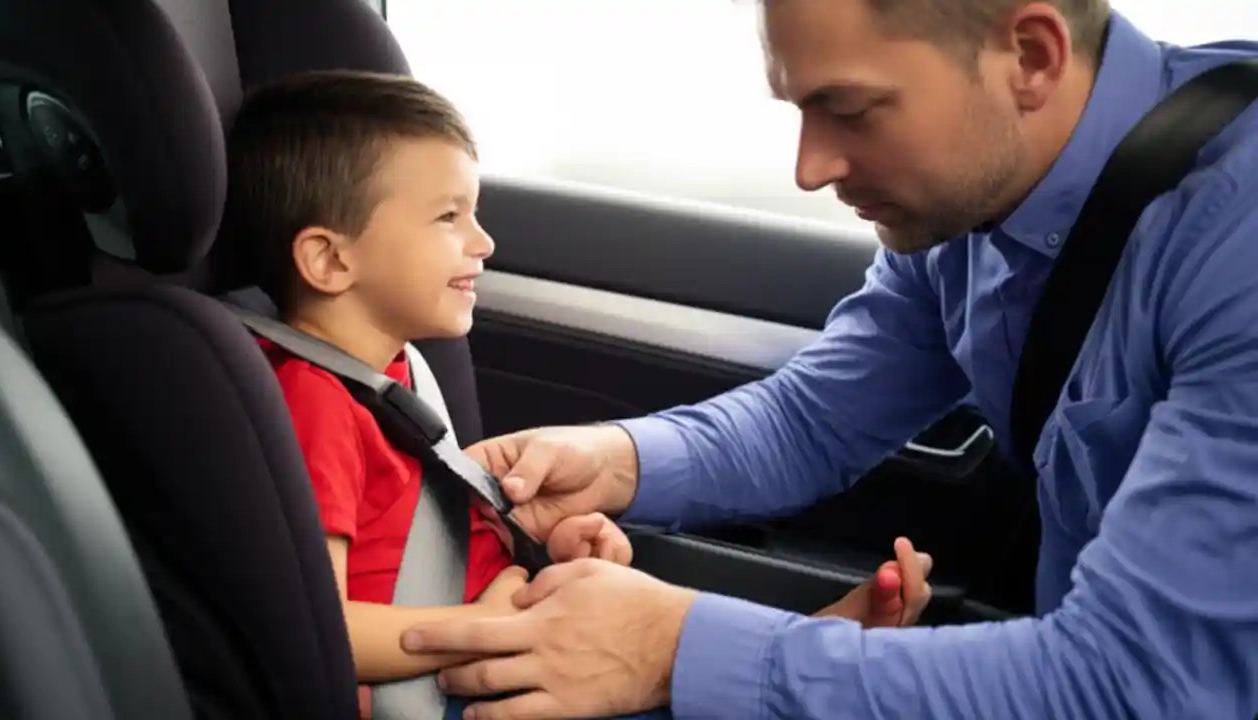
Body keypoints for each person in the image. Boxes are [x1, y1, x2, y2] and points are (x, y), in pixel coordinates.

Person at [400, 2, 1258, 719]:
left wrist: (670, 649)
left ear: (1030, 57)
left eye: (851, 110)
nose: (811, 169)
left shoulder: (1235, 238)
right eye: (800, 109)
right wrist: (614, 462)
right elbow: (818, 417)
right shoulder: (967, 204)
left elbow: (1140, 684)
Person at [218, 70, 937, 719]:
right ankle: (800, 672)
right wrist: (491, 628)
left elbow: (407, 535)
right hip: (435, 692)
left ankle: (800, 668)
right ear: (329, 258)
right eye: (449, 218)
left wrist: (544, 551)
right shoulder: (313, 404)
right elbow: (320, 629)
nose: (484, 242)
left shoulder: (395, 374)